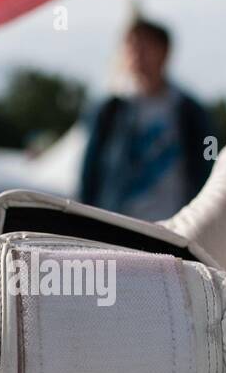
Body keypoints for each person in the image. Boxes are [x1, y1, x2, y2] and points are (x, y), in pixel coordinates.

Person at [78, 18, 216, 221]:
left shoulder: (191, 112)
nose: (136, 54)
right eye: (131, 46)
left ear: (165, 51)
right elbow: (89, 170)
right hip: (117, 225)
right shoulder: (110, 110)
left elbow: (208, 162)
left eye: (145, 46)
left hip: (173, 225)